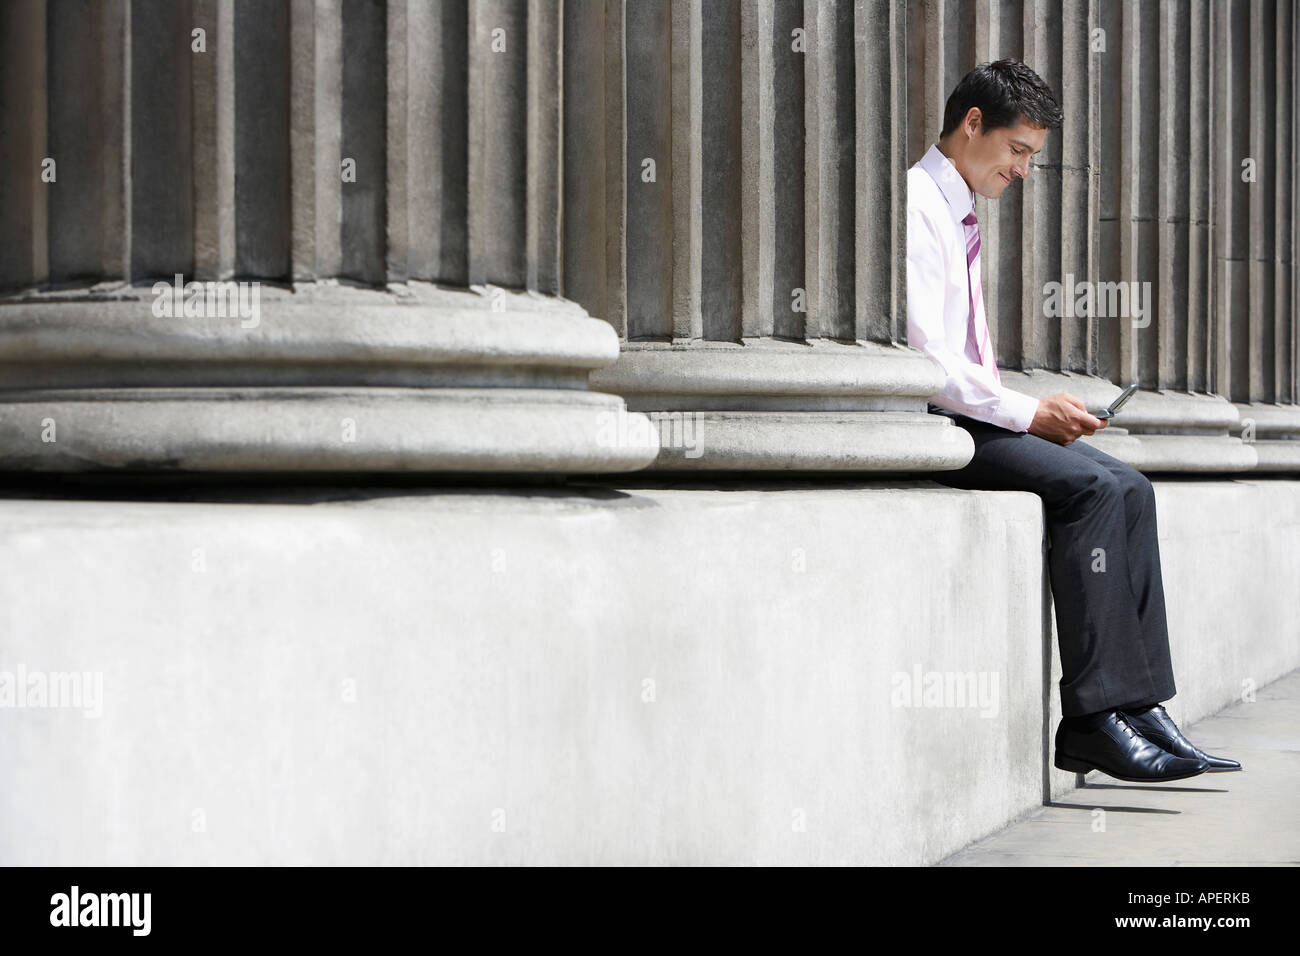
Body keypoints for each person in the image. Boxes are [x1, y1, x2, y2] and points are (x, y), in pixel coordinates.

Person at [907, 59, 1240, 782]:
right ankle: (1092, 721)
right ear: (972, 125)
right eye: (1019, 151)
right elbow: (929, 361)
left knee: (1131, 488)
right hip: (937, 428)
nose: (1024, 170)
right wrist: (1030, 412)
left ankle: (1140, 704)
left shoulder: (956, 205)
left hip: (974, 418)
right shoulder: (918, 204)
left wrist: (1032, 413)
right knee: (1090, 491)